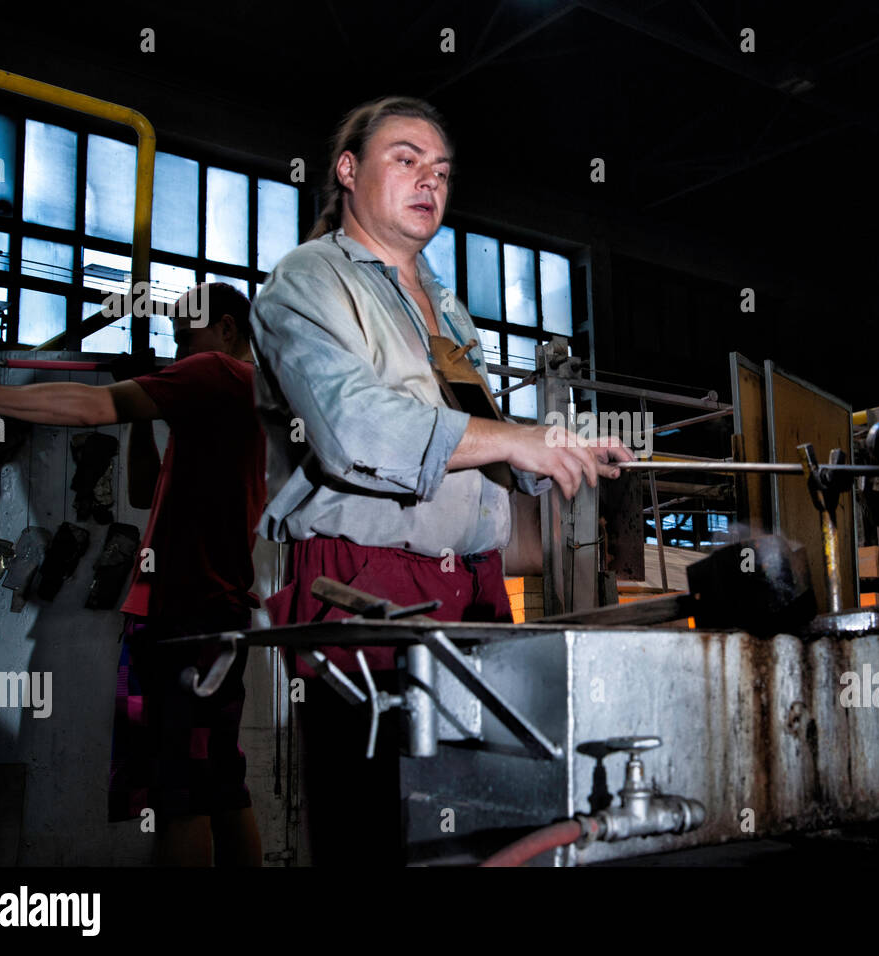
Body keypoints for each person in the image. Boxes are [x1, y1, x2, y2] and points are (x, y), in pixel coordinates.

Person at [250, 96, 631, 864]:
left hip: (474, 586)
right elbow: (351, 431)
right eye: (406, 160)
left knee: (485, 816)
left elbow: (475, 433)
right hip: (365, 584)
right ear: (349, 170)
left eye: (442, 171)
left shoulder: (447, 306)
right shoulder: (307, 280)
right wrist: (516, 441)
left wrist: (551, 451)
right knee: (379, 825)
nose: (430, 181)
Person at [0, 281, 265, 867]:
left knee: (179, 796)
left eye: (185, 338)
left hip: (186, 615)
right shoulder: (229, 396)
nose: (177, 354)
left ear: (225, 331)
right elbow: (145, 490)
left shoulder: (219, 373)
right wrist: (147, 410)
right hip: (209, 613)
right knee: (220, 787)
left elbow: (88, 405)